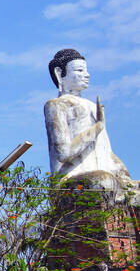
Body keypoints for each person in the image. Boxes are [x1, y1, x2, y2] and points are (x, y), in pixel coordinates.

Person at [44, 48, 135, 204]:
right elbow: (64, 153)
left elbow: (105, 151)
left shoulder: (93, 106)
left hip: (105, 176)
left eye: (86, 70)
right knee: (103, 181)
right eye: (79, 70)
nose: (87, 75)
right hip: (71, 179)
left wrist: (125, 178)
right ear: (60, 73)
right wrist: (97, 128)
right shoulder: (56, 105)